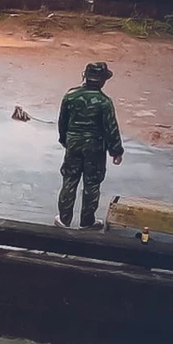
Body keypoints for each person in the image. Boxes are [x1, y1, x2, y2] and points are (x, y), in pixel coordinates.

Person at [57, 62, 125, 229]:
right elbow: (111, 128)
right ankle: (87, 221)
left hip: (73, 143)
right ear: (102, 81)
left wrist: (65, 140)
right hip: (95, 147)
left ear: (85, 77)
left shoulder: (70, 96)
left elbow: (62, 122)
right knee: (92, 183)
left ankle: (64, 220)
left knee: (69, 180)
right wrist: (116, 151)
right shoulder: (104, 102)